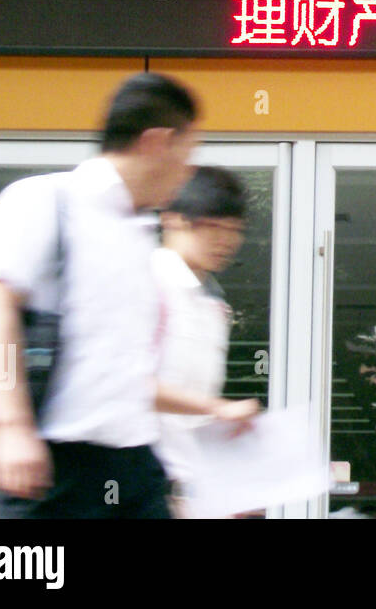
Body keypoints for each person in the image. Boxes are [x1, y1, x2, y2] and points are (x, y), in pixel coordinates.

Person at [0, 72, 212, 518]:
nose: (188, 172)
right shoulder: (43, 201)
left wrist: (214, 412)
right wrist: (7, 426)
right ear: (156, 143)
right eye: (187, 153)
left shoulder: (141, 239)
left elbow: (128, 375)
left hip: (134, 469)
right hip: (54, 469)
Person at [152, 166, 261, 517]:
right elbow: (122, 381)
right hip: (133, 487)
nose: (226, 241)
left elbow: (191, 418)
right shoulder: (147, 284)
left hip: (187, 497)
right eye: (214, 227)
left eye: (235, 230)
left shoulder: (212, 304)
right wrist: (216, 409)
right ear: (174, 220)